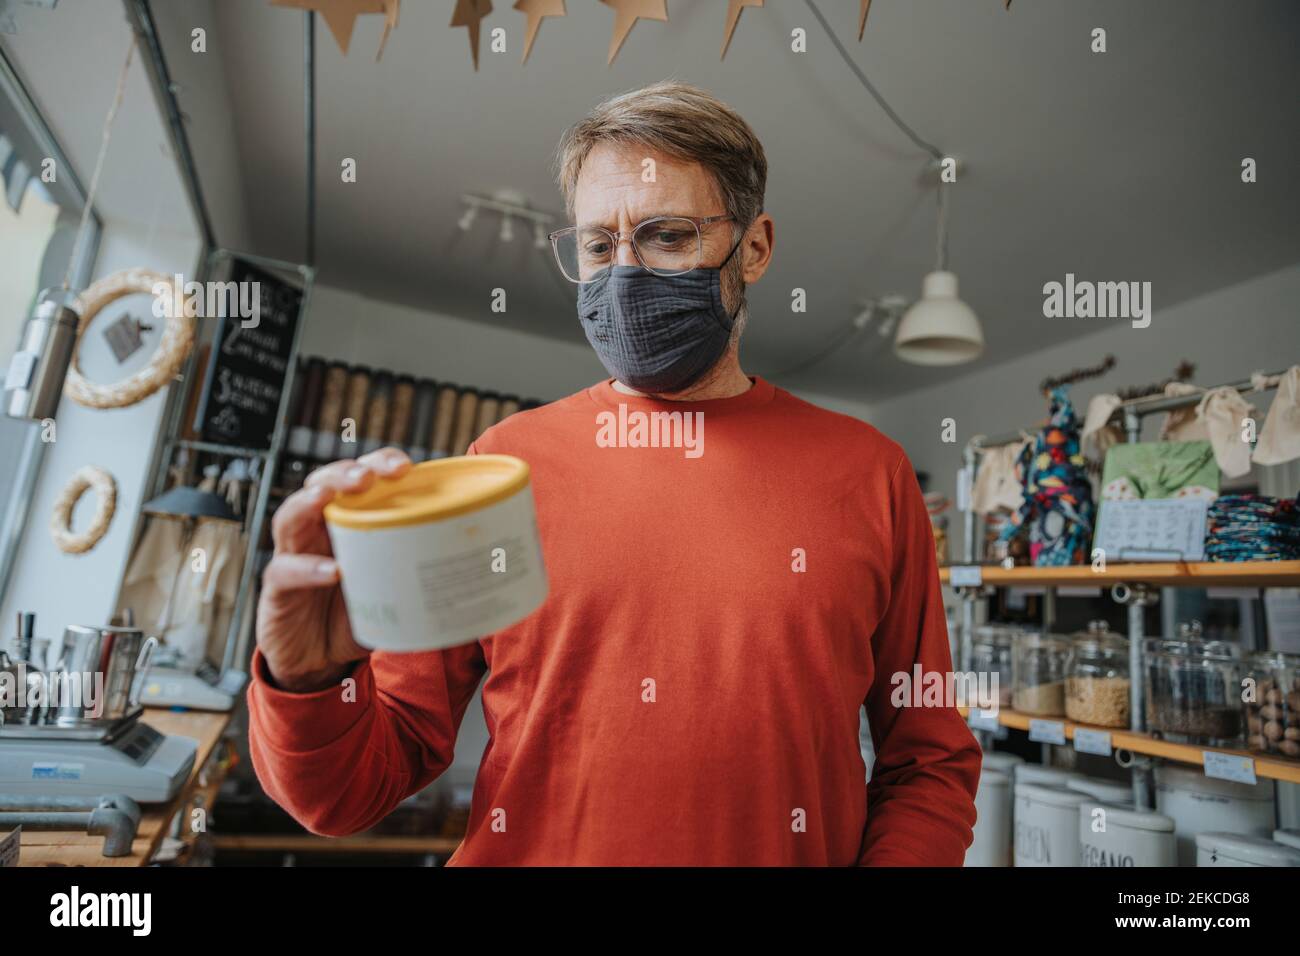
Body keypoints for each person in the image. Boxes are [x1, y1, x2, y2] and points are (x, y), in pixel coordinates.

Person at [248, 81, 980, 866]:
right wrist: (311, 681)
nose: (624, 275)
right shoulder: (503, 464)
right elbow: (346, 796)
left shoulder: (869, 471)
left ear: (756, 248)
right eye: (599, 246)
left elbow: (928, 760)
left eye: (666, 236)